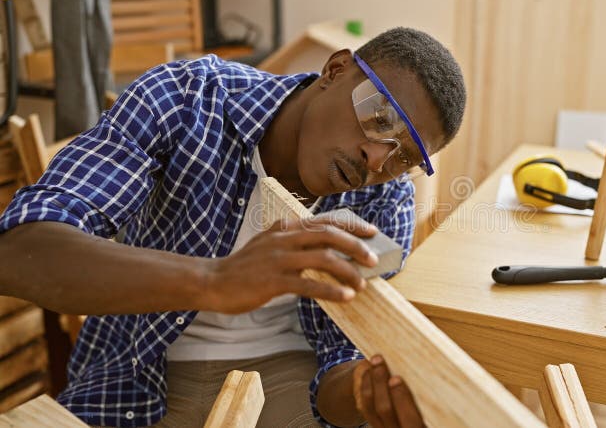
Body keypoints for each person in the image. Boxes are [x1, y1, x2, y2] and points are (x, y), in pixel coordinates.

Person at [0, 27, 466, 427]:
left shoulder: (385, 200)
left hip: (290, 381)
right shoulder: (187, 98)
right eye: (379, 115)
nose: (378, 157)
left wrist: (364, 392)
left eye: (405, 157)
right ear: (336, 70)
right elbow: (19, 248)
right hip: (139, 376)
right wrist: (214, 280)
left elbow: (336, 372)